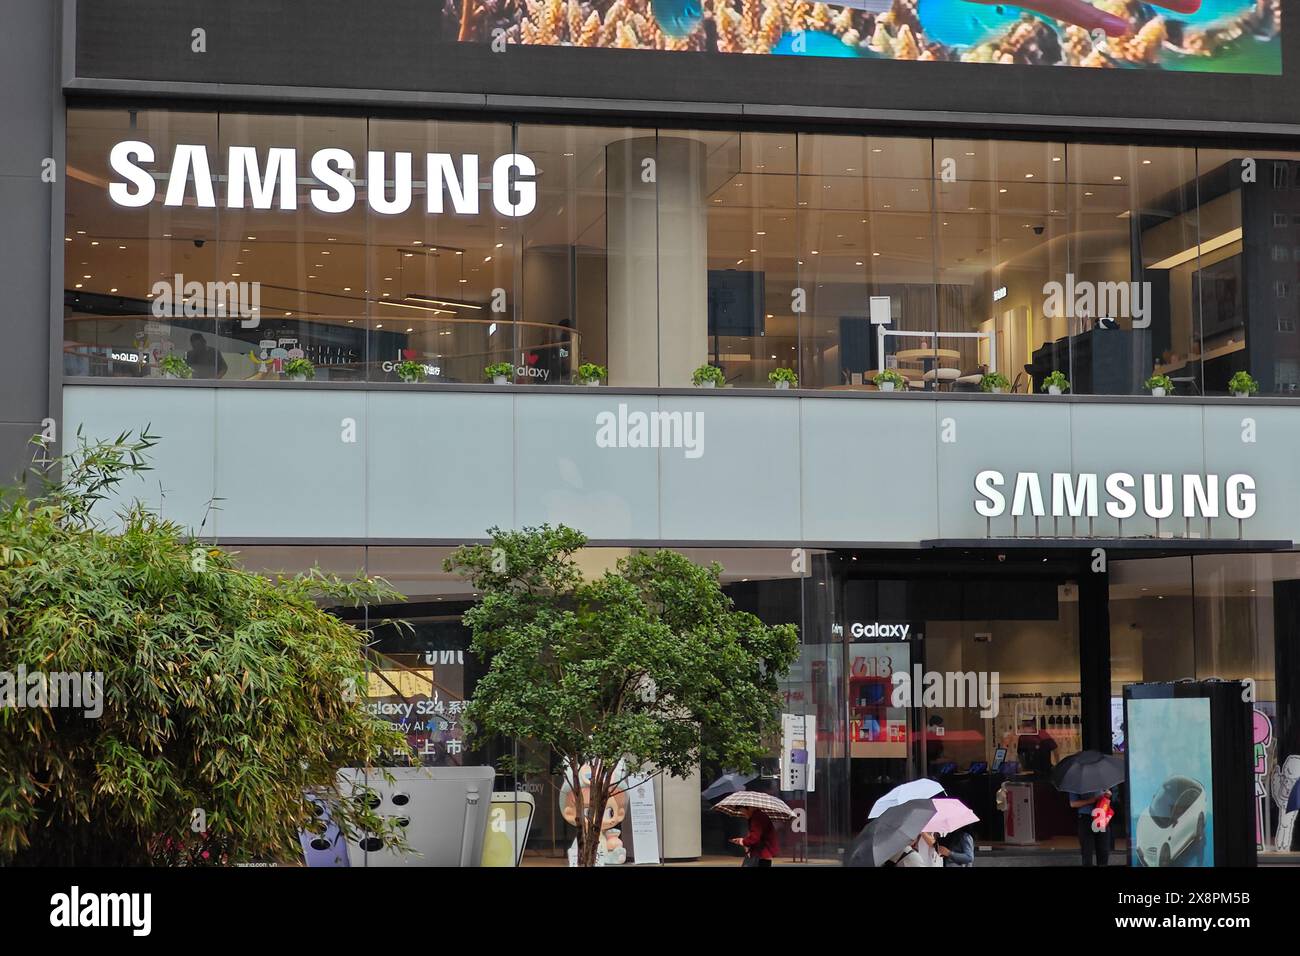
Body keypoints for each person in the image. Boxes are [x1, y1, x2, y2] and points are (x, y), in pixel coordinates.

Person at [1069, 788, 1112, 866]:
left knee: (1103, 850)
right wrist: (1091, 800)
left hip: (1100, 816)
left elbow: (1106, 795)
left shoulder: (1101, 781)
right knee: (1087, 852)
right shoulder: (1077, 783)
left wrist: (1107, 795)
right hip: (1086, 818)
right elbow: (1073, 804)